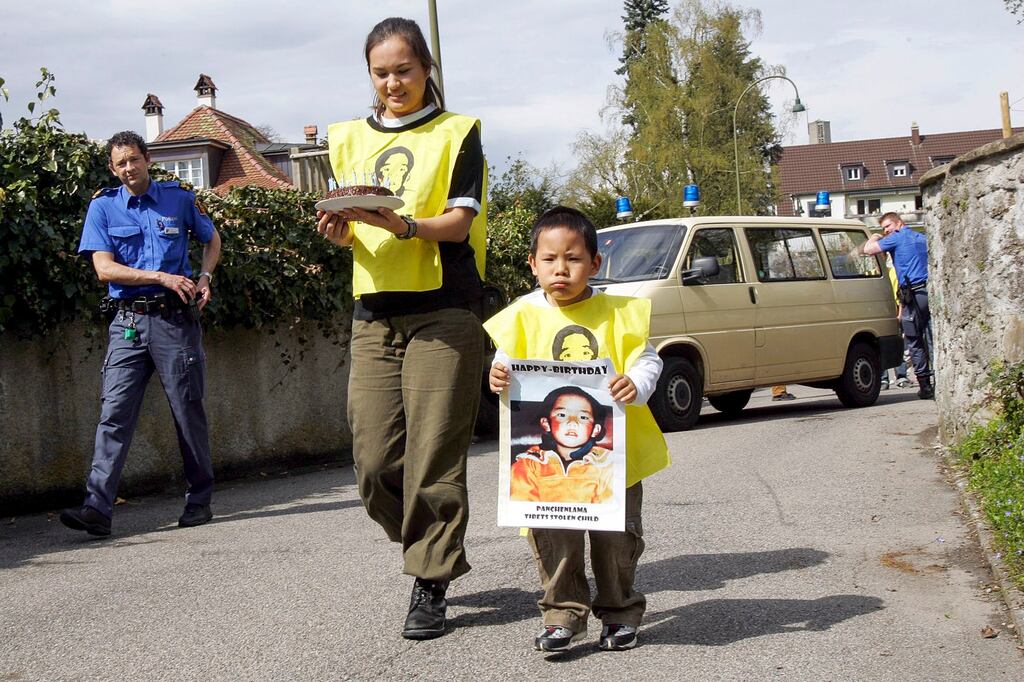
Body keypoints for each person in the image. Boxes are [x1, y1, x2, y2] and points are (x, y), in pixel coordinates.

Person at [315, 17, 487, 641]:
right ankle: (427, 542)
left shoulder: (457, 133)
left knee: (433, 457)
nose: (393, 82)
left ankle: (430, 579)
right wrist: (339, 232)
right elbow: (350, 222)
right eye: (381, 72)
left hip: (446, 308)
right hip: (374, 312)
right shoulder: (346, 138)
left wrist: (405, 227)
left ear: (426, 70)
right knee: (374, 464)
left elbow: (459, 224)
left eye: (404, 70)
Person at [485, 206, 670, 652]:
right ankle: (562, 615)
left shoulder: (620, 313)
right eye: (549, 260)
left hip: (615, 458)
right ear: (532, 264)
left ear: (595, 263)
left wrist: (638, 383)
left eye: (573, 258)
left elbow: (648, 359)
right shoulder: (520, 314)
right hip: (546, 464)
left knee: (616, 539)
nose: (560, 269)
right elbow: (507, 362)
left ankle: (620, 613)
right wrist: (497, 375)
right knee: (554, 538)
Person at [60, 130, 221, 537]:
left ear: (147, 158)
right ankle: (96, 508)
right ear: (113, 170)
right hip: (128, 324)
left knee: (188, 412)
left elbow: (212, 238)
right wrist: (162, 276)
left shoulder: (179, 199)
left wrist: (204, 276)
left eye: (133, 159)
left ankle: (199, 500)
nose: (128, 169)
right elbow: (104, 269)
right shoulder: (103, 208)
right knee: (113, 414)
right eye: (120, 164)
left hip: (174, 323)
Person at [860, 212, 933, 399]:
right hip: (928, 291)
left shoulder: (896, 238)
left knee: (914, 339)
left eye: (887, 227)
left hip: (912, 294)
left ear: (899, 223)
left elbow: (868, 249)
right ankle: (937, 378)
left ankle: (925, 385)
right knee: (931, 338)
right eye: (884, 228)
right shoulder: (921, 237)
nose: (886, 231)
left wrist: (875, 235)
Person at [510, 386, 613, 504]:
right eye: (562, 415)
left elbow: (608, 509)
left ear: (595, 429)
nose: (573, 422)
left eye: (583, 417)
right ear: (546, 423)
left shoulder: (607, 463)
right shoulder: (529, 464)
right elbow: (521, 504)